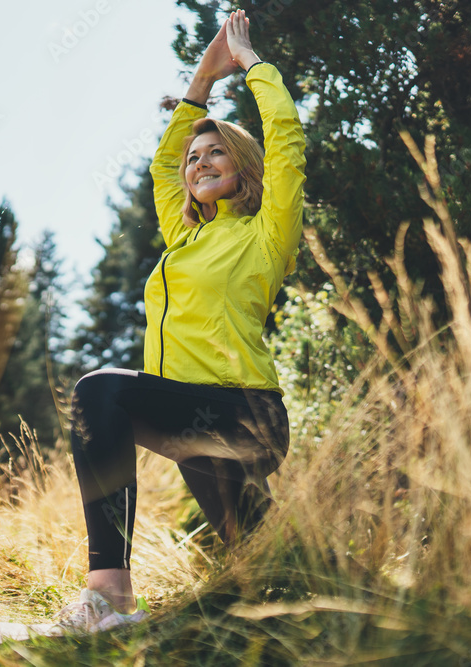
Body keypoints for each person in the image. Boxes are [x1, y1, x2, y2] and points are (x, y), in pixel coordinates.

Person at [50, 8, 305, 635]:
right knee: (263, 573)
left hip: (246, 413)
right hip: (192, 421)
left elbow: (288, 137)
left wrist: (248, 65)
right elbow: (162, 167)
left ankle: (109, 597)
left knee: (99, 391)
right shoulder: (183, 238)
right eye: (195, 157)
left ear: (243, 168)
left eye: (216, 153)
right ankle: (310, 599)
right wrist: (200, 83)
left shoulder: (264, 233)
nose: (198, 163)